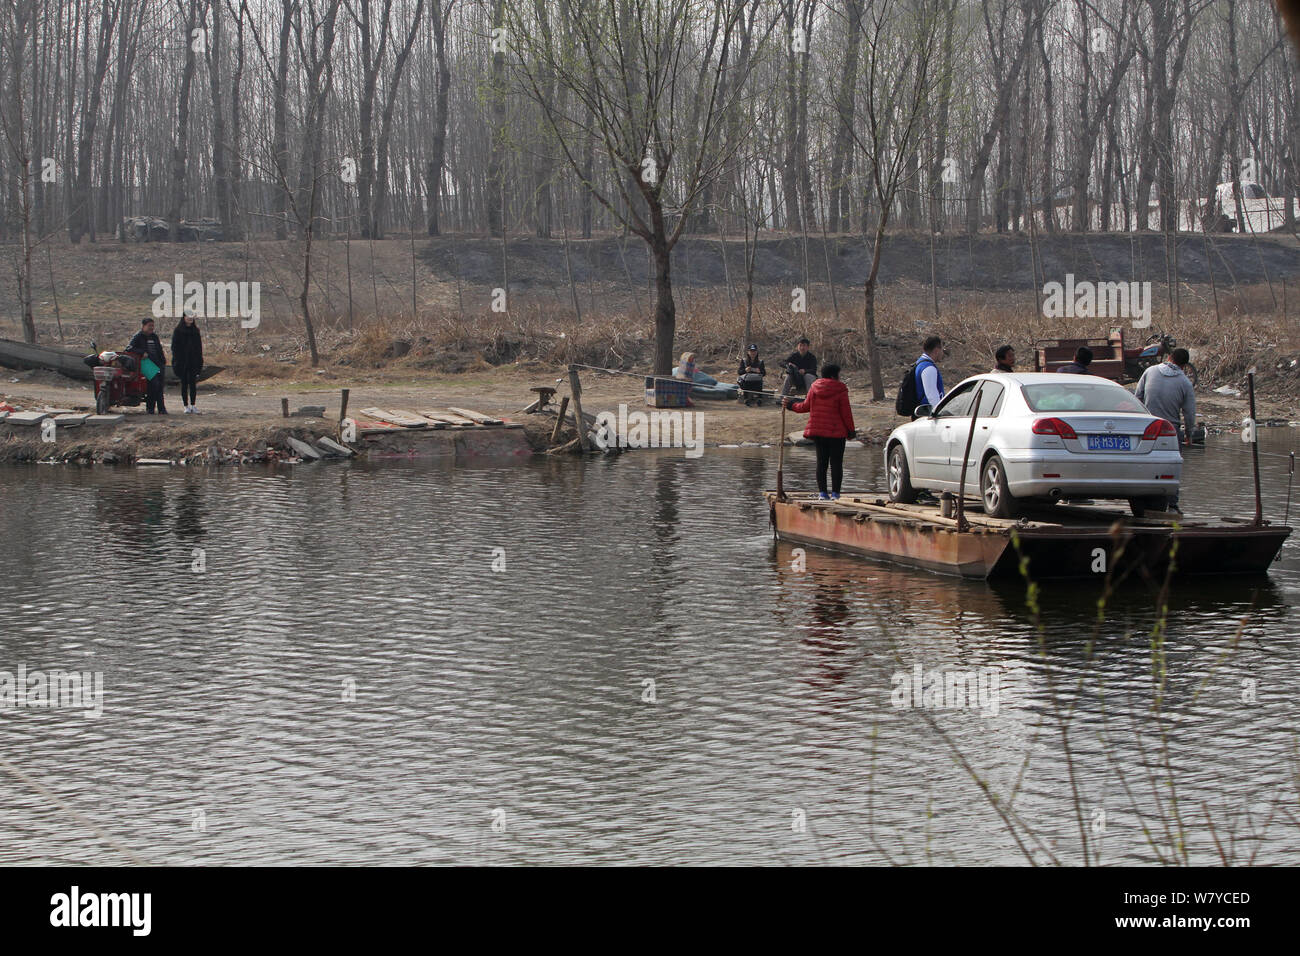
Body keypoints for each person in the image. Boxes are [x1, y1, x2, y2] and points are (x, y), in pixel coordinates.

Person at [1135, 347, 1196, 513]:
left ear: (1169, 357)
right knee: (1171, 468)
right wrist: (1189, 435)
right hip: (1170, 430)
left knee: (1143, 465)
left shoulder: (1150, 371)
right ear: (1184, 365)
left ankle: (1140, 501)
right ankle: (1173, 506)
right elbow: (1189, 414)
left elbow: (1137, 398)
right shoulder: (1185, 383)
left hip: (1145, 427)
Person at [784, 364, 855, 500]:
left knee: (821, 463)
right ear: (834, 375)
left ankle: (823, 493)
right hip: (837, 433)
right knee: (836, 463)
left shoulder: (814, 387)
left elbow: (805, 406)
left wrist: (791, 405)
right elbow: (846, 413)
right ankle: (835, 494)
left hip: (818, 432)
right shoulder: (840, 389)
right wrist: (851, 430)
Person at [127, 317, 168, 415]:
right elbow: (129, 348)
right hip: (146, 364)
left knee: (159, 386)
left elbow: (159, 349)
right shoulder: (138, 336)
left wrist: (163, 361)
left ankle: (161, 409)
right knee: (154, 385)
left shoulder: (154, 337)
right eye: (149, 326)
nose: (151, 328)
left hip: (157, 364)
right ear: (143, 326)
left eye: (152, 326)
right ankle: (150, 408)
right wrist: (142, 352)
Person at [171, 311, 204, 414]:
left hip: (193, 361)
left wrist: (199, 360)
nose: (190, 318)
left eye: (192, 317)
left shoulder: (195, 330)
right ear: (184, 317)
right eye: (188, 316)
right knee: (184, 383)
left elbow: (199, 347)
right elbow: (174, 347)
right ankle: (186, 406)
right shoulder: (178, 330)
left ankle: (193, 405)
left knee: (193, 384)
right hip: (182, 361)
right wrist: (177, 360)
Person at [915, 335, 945, 409]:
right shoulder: (929, 368)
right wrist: (939, 412)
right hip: (927, 413)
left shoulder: (920, 363)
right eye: (942, 350)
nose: (943, 353)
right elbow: (932, 396)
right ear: (936, 351)